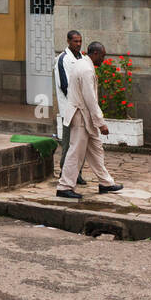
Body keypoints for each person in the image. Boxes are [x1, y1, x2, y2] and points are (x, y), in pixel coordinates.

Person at [56, 41, 124, 200]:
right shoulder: (86, 70)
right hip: (81, 116)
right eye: (102, 56)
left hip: (85, 116)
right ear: (95, 54)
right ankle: (64, 186)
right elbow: (90, 99)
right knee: (75, 153)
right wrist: (101, 123)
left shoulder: (81, 64)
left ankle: (105, 183)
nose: (103, 59)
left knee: (96, 149)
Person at [54, 28, 87, 186]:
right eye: (75, 41)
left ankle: (77, 172)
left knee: (81, 142)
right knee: (69, 143)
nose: (78, 44)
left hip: (82, 107)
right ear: (68, 41)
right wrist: (81, 100)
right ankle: (64, 172)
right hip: (70, 108)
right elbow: (65, 86)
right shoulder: (63, 59)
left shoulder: (82, 57)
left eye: (80, 41)